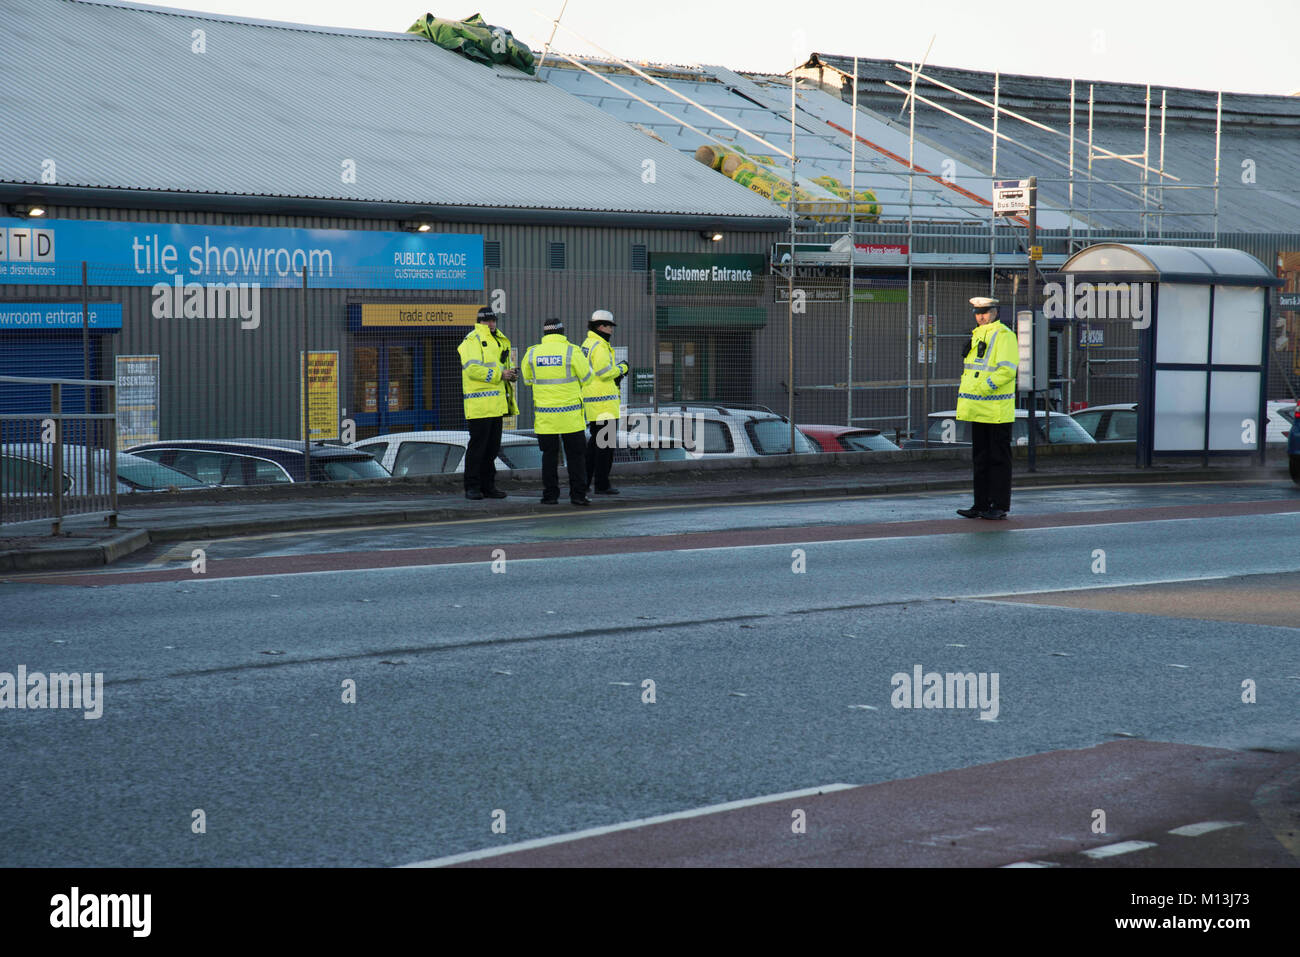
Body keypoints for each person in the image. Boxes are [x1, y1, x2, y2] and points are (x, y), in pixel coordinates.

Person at [955, 296, 1018, 520]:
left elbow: (1008, 370)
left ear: (995, 312)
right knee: (980, 459)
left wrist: (984, 387)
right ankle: (980, 504)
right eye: (977, 312)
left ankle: (999, 506)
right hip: (978, 409)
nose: (981, 316)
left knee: (998, 460)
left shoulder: (1004, 336)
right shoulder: (976, 335)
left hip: (997, 411)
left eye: (985, 311)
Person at [520, 319, 593, 506]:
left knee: (549, 457)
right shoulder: (572, 351)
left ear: (545, 333)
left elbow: (527, 380)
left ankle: (550, 496)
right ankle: (578, 495)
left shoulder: (532, 353)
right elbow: (587, 378)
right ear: (562, 332)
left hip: (546, 418)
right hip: (571, 418)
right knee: (576, 458)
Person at [457, 306, 518, 500]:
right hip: (479, 406)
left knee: (491, 449)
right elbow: (472, 369)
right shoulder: (472, 340)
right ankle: (472, 487)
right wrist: (500, 374)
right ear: (480, 321)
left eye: (493, 320)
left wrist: (509, 375)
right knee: (478, 449)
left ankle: (488, 486)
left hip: (497, 405)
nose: (491, 324)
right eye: (487, 320)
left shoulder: (499, 339)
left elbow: (501, 366)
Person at [580, 309, 630, 494]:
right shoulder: (599, 346)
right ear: (601, 326)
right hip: (605, 405)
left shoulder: (587, 343)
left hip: (594, 403)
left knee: (594, 446)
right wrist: (622, 368)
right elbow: (604, 372)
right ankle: (602, 485)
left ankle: (585, 483)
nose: (611, 330)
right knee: (605, 448)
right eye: (609, 326)